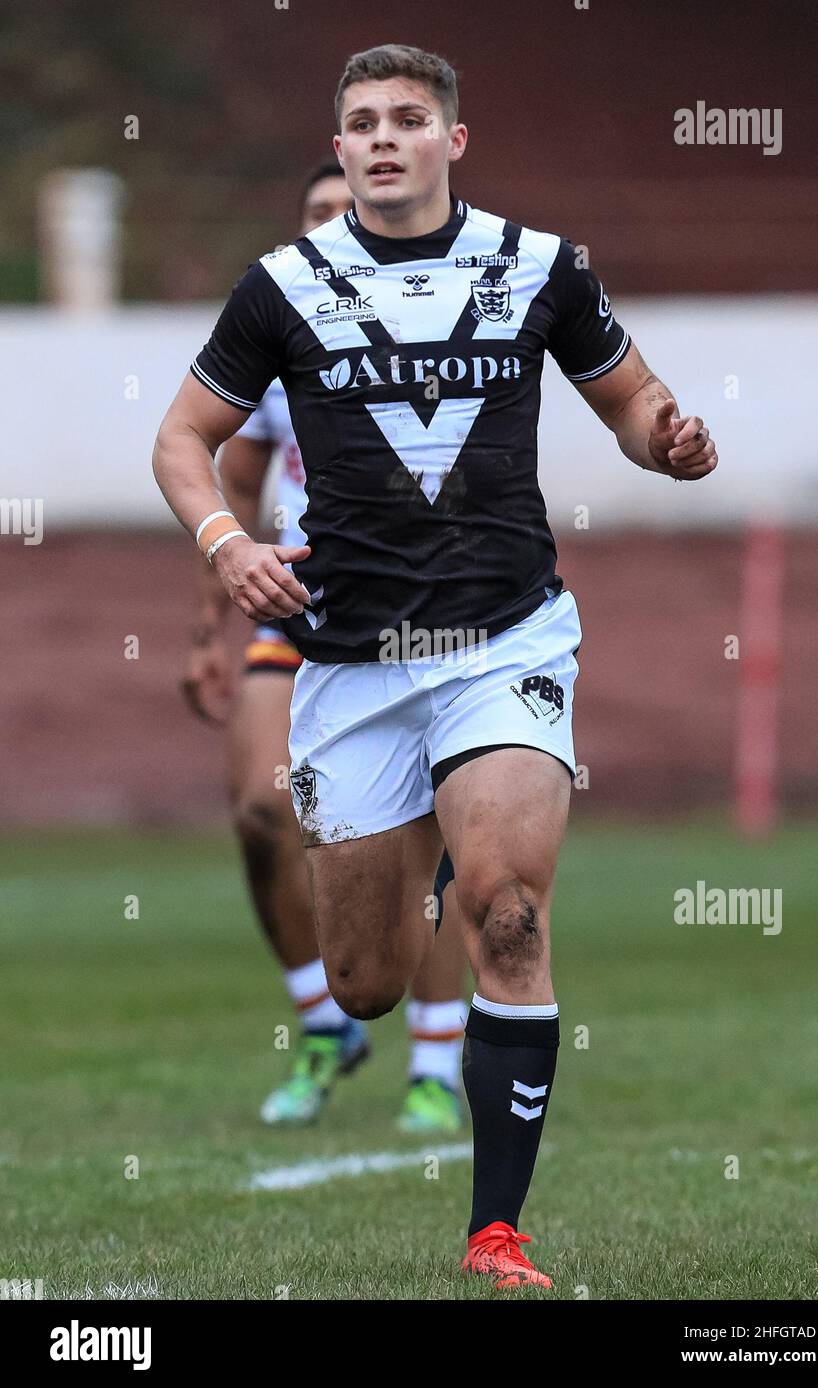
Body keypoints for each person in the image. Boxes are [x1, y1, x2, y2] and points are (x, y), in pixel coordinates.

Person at [154, 43, 717, 1289]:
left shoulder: (538, 267)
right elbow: (186, 437)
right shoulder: (281, 286)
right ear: (341, 150)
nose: (383, 138)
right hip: (351, 664)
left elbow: (628, 401)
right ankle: (422, 834)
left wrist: (664, 438)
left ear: (452, 141)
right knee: (362, 982)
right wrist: (226, 543)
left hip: (505, 634)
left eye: (408, 118)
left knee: (508, 913)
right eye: (360, 123)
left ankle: (493, 1232)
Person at [181, 161, 466, 1132]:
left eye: (334, 211)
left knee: (424, 844)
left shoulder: (429, 329)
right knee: (262, 810)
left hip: (416, 613)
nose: (321, 226)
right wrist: (206, 619)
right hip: (294, 603)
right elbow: (232, 479)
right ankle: (322, 1019)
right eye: (307, 211)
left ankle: (433, 1060)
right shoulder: (276, 327)